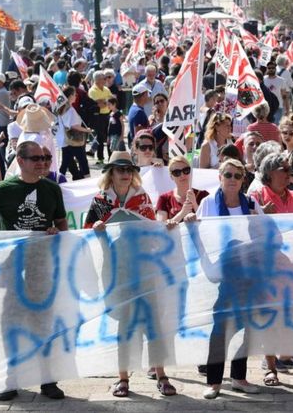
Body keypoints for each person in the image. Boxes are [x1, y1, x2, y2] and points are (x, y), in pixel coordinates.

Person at [0, 141, 68, 401]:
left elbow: (62, 225)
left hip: (41, 266)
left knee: (43, 323)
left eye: (45, 157)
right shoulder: (2, 189)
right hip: (10, 268)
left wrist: (55, 233)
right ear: (20, 160)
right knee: (10, 325)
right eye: (36, 158)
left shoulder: (52, 189)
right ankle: (11, 379)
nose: (42, 162)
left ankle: (47, 379)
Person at [82, 151, 176, 397]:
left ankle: (161, 374)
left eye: (129, 170)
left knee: (152, 322)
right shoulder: (100, 201)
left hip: (145, 269)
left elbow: (153, 231)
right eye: (120, 169)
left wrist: (166, 227)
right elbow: (84, 234)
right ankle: (123, 379)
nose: (125, 174)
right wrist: (97, 230)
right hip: (115, 271)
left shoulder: (142, 198)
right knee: (125, 325)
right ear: (110, 173)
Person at [190, 159, 263, 399]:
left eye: (237, 176)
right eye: (228, 175)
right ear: (220, 177)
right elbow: (198, 234)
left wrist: (257, 222)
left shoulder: (251, 203)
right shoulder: (209, 203)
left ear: (243, 180)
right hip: (222, 275)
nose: (232, 179)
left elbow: (265, 235)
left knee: (246, 330)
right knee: (220, 331)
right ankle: (213, 382)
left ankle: (239, 378)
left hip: (248, 275)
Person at [156, 156, 209, 225]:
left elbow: (209, 222)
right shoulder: (164, 198)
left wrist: (195, 204)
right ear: (171, 176)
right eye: (177, 172)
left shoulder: (203, 195)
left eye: (186, 170)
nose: (182, 175)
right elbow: (160, 227)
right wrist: (182, 213)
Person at [89, 70, 113, 162]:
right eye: (104, 78)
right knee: (100, 137)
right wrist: (105, 102)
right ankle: (100, 158)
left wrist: (103, 101)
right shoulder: (92, 90)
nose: (106, 80)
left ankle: (111, 157)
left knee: (109, 136)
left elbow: (112, 100)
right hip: (98, 116)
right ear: (98, 80)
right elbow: (98, 105)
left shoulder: (106, 89)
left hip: (107, 114)